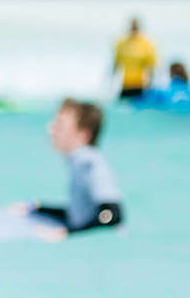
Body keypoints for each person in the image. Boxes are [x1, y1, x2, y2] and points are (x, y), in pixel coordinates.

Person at [10, 99, 124, 241]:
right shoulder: (79, 162)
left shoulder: (89, 164)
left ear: (83, 135)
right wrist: (37, 208)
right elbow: (81, 217)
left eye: (60, 125)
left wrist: (67, 233)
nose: (50, 129)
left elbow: (113, 215)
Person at [111, 18, 157, 101]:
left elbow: (151, 67)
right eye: (132, 27)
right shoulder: (122, 43)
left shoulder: (146, 44)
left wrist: (150, 85)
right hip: (126, 84)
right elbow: (116, 62)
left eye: (135, 27)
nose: (134, 30)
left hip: (140, 85)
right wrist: (111, 81)